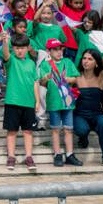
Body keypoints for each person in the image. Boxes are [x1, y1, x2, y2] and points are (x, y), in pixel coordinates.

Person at [0, 31, 39, 171]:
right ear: (13, 48)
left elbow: (35, 82)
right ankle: (11, 157)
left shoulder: (31, 64)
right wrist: (5, 41)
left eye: (22, 48)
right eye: (16, 48)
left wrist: (38, 101)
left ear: (28, 47)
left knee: (28, 131)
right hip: (12, 101)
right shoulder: (11, 61)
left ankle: (29, 157)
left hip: (28, 102)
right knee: (12, 131)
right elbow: (5, 54)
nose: (19, 50)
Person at [39, 39, 78, 167]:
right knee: (55, 129)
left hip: (67, 101)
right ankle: (57, 154)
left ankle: (69, 154)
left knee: (68, 129)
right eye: (55, 49)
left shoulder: (68, 62)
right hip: (54, 101)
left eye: (60, 49)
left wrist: (69, 79)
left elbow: (76, 78)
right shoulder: (45, 64)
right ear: (48, 51)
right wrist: (46, 77)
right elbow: (41, 82)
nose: (59, 52)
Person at [72, 50, 103, 168]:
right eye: (84, 58)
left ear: (96, 63)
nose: (86, 61)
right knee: (82, 130)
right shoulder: (76, 76)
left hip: (96, 114)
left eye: (90, 59)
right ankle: (83, 138)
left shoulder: (100, 77)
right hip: (79, 114)